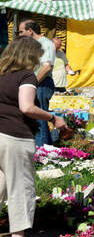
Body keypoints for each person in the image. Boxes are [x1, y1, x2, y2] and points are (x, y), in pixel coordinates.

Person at [0, 37, 67, 237]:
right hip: (15, 136)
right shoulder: (26, 76)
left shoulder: (2, 75)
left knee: (0, 186)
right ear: (30, 55)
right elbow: (27, 107)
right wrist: (52, 117)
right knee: (21, 186)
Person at [17, 20, 57, 149]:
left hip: (41, 83)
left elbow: (46, 68)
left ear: (30, 31)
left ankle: (41, 151)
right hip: (35, 83)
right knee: (37, 116)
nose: (20, 34)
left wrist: (32, 83)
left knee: (40, 116)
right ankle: (47, 147)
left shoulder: (46, 44)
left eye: (21, 31)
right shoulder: (33, 44)